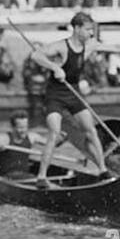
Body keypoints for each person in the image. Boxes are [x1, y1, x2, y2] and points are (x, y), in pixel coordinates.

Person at [31, 12, 107, 184]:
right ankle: (41, 176)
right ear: (77, 28)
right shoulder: (61, 46)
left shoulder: (89, 46)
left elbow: (116, 48)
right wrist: (54, 67)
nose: (91, 33)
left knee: (91, 130)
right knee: (54, 133)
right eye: (88, 30)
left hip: (74, 94)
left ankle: (103, 170)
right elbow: (36, 55)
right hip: (55, 95)